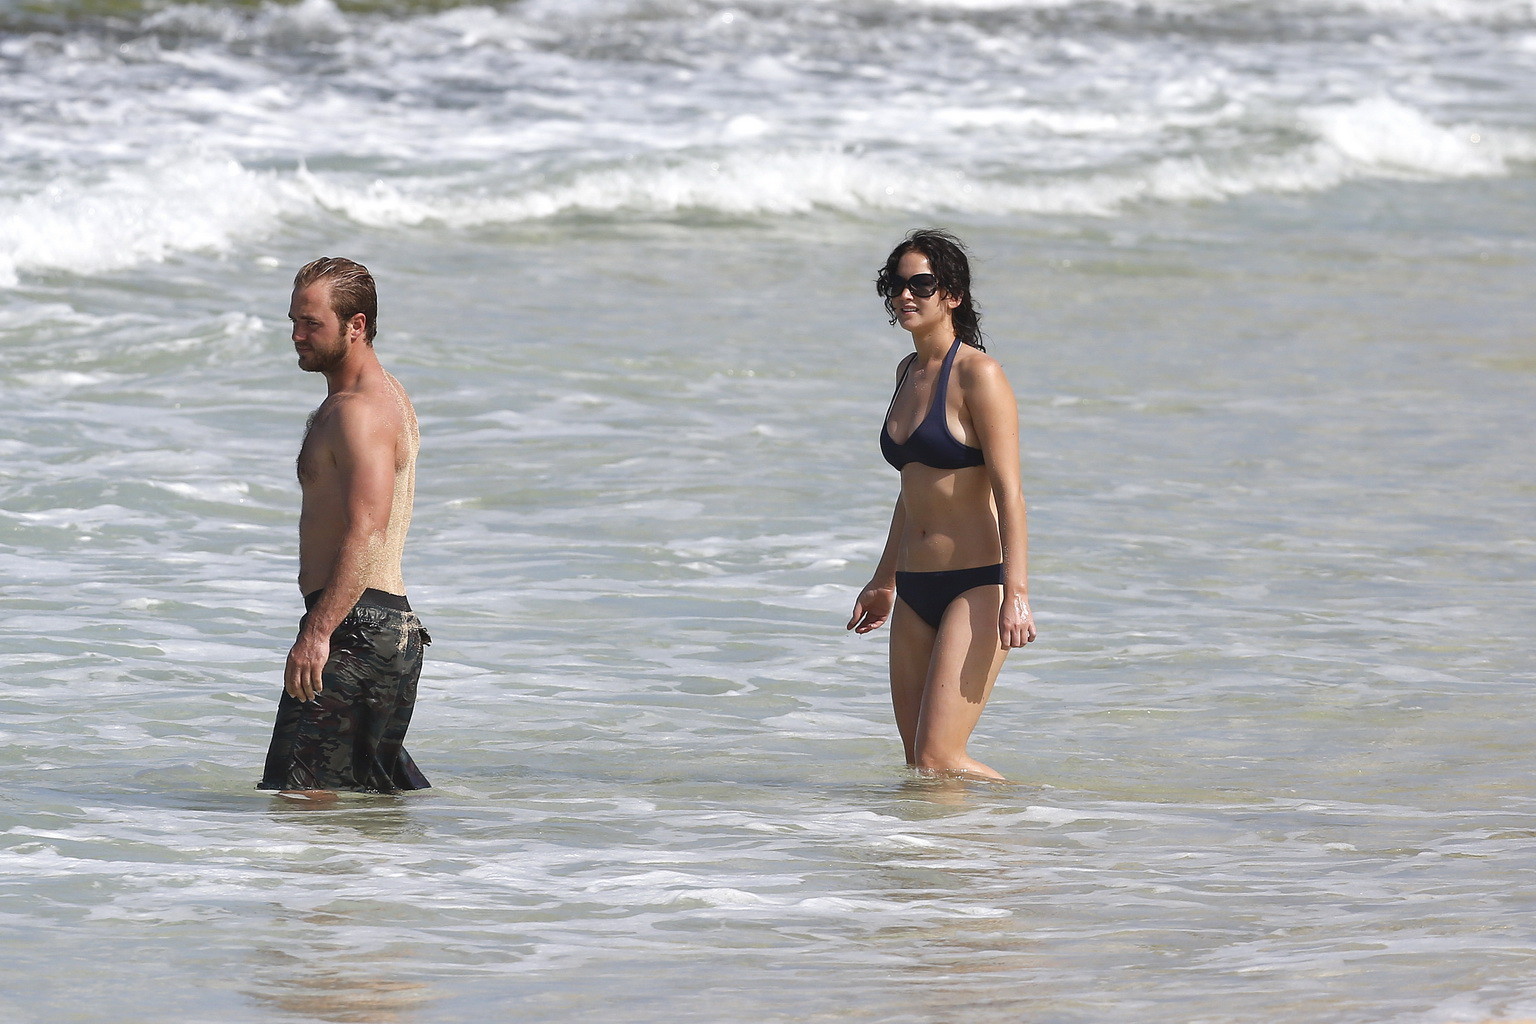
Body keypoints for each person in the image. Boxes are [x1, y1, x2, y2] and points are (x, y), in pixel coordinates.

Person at [847, 230, 1035, 781]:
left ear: (951, 294)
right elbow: (912, 491)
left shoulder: (980, 375)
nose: (907, 295)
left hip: (976, 584)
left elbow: (1011, 492)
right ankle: (938, 867)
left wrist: (1017, 594)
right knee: (919, 768)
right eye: (896, 285)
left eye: (921, 284)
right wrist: (885, 580)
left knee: (940, 758)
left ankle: (1041, 819)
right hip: (914, 587)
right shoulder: (906, 375)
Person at [258, 257, 431, 799]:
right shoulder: (384, 396)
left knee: (299, 808)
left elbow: (367, 531)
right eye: (293, 321)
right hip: (379, 632)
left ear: (355, 326)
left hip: (354, 631)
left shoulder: (359, 412)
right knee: (370, 817)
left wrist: (317, 633)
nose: (296, 336)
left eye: (312, 324)